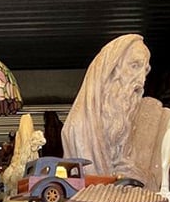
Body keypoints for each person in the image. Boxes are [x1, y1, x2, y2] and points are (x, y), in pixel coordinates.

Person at [61, 34, 152, 180]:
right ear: (110, 69)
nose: (141, 80)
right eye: (134, 66)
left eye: (145, 70)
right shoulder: (78, 127)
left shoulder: (129, 121)